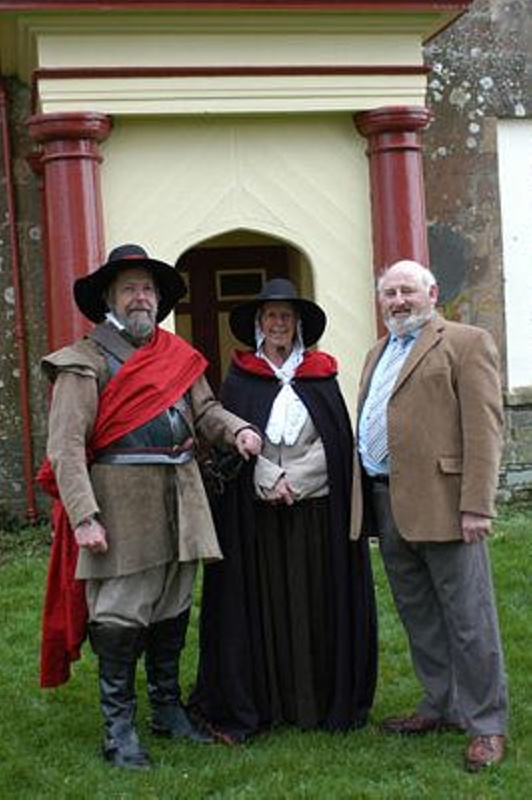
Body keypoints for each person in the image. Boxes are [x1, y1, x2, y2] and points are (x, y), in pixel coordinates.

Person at [37, 244, 262, 770]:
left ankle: (167, 711)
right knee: (119, 614)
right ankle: (118, 730)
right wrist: (85, 516)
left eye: (148, 289)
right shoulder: (83, 362)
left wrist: (238, 430)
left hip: (183, 496)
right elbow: (65, 447)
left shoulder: (177, 358)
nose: (141, 297)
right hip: (120, 503)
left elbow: (205, 410)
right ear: (110, 299)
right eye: (130, 289)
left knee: (172, 607)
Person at [190, 278, 378, 742]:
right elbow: (233, 441)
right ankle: (268, 699)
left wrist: (297, 480)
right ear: (259, 324)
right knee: (264, 602)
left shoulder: (322, 374)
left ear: (298, 326)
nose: (279, 324)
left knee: (314, 601)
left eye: (287, 317)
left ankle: (312, 700)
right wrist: (270, 479)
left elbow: (337, 445)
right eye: (271, 316)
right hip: (258, 514)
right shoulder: (240, 379)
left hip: (315, 513)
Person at [352, 259, 508, 772]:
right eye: (389, 293)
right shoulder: (377, 352)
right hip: (387, 501)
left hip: (446, 504)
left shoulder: (465, 342)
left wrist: (476, 506)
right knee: (420, 615)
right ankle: (442, 704)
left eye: (407, 291)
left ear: (431, 292)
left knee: (469, 619)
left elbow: (485, 429)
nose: (398, 301)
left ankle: (486, 724)